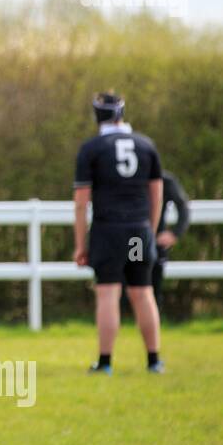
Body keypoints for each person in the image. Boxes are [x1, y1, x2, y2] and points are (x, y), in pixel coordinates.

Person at [73, 91, 165, 375]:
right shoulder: (146, 145)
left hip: (108, 230)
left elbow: (81, 203)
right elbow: (156, 195)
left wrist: (80, 244)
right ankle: (153, 361)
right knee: (143, 292)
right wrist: (148, 227)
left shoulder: (91, 149)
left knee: (108, 293)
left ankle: (105, 362)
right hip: (139, 230)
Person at [152, 170, 190, 310]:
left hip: (155, 242)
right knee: (136, 281)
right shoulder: (130, 180)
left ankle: (152, 323)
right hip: (136, 241)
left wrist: (175, 233)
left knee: (153, 285)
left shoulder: (165, 180)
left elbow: (183, 206)